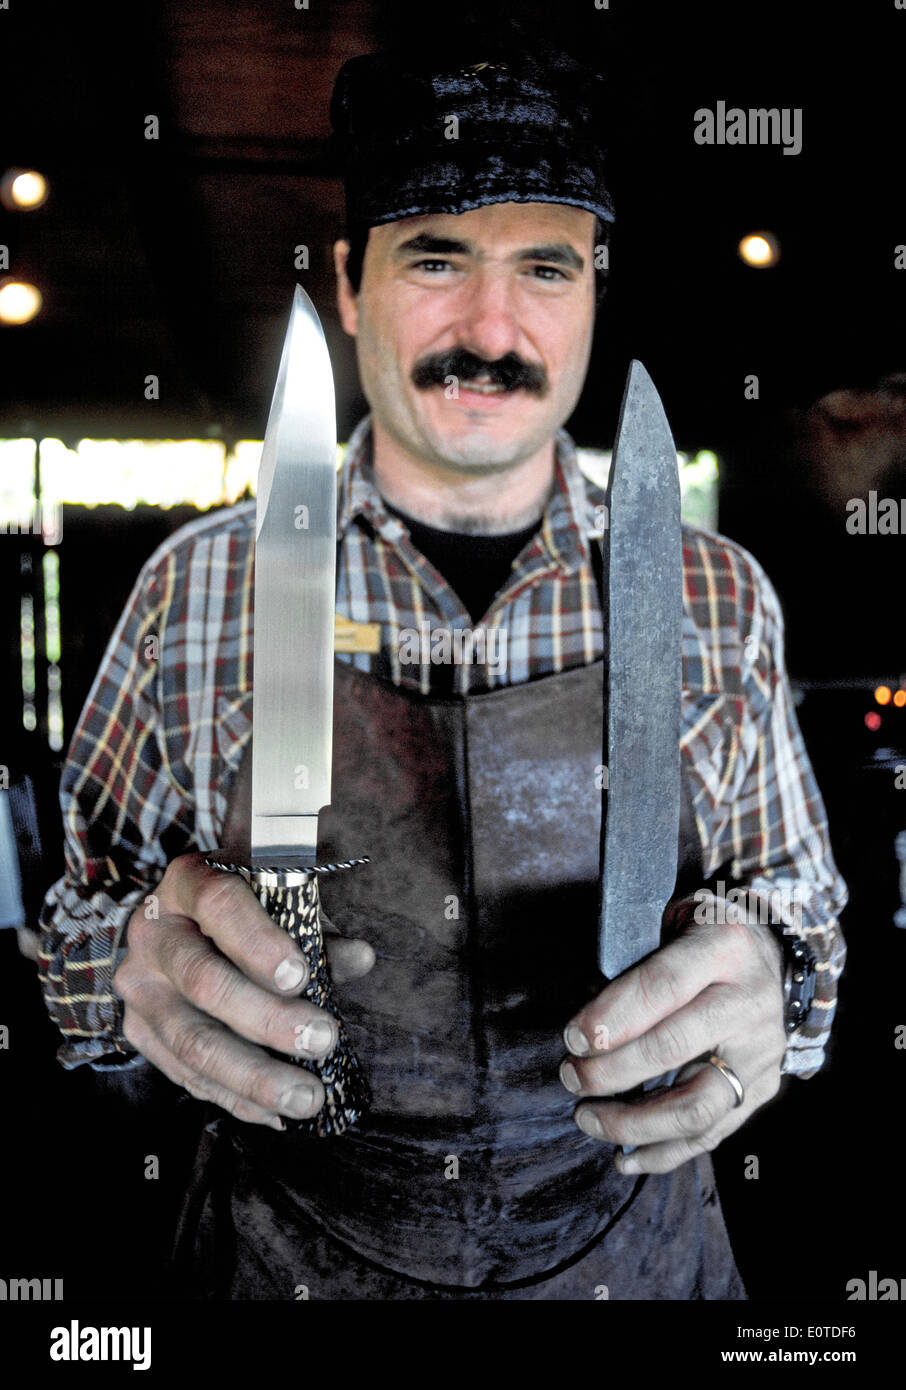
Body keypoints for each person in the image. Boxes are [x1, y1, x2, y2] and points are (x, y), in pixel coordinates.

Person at [38, 37, 847, 1300]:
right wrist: (127, 964)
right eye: (436, 258)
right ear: (353, 285)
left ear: (594, 289)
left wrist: (773, 979)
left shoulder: (716, 597)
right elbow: (69, 942)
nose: (492, 328)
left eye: (544, 267)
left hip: (637, 1266)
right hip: (278, 1260)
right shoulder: (196, 590)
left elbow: (809, 923)